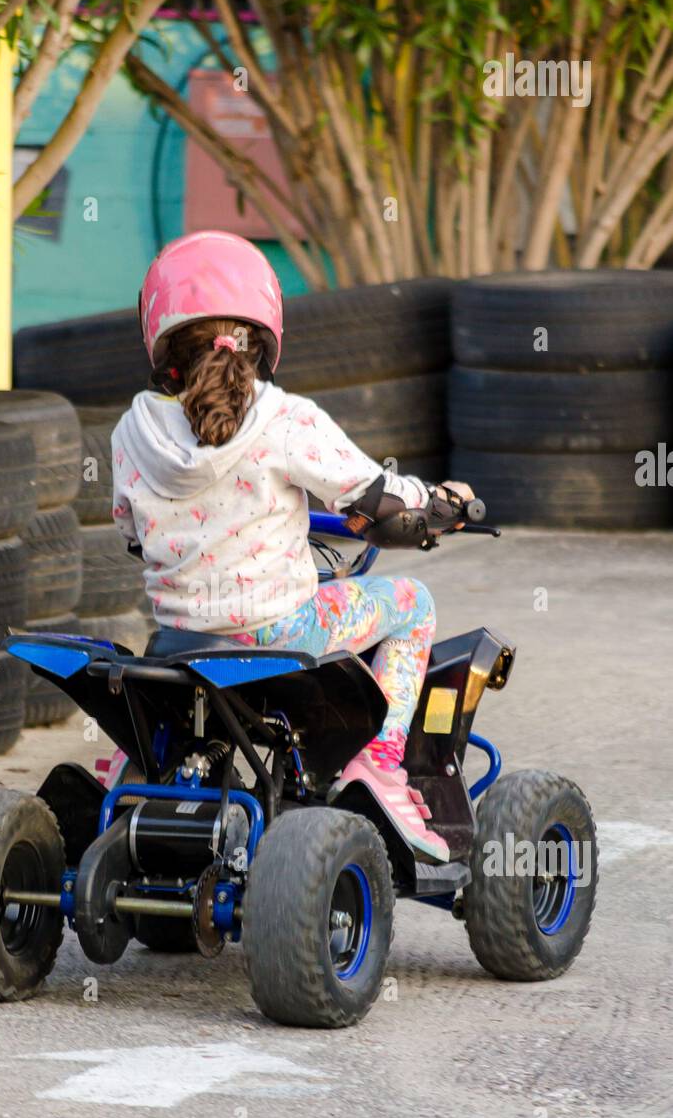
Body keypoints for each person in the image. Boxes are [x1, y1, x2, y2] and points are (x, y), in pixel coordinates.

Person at [111, 231, 473, 862]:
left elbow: (133, 539)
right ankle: (379, 765)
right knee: (412, 602)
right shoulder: (285, 419)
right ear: (265, 327)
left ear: (160, 331)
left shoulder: (131, 431)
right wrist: (443, 502)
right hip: (280, 634)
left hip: (181, 641)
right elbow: (378, 498)